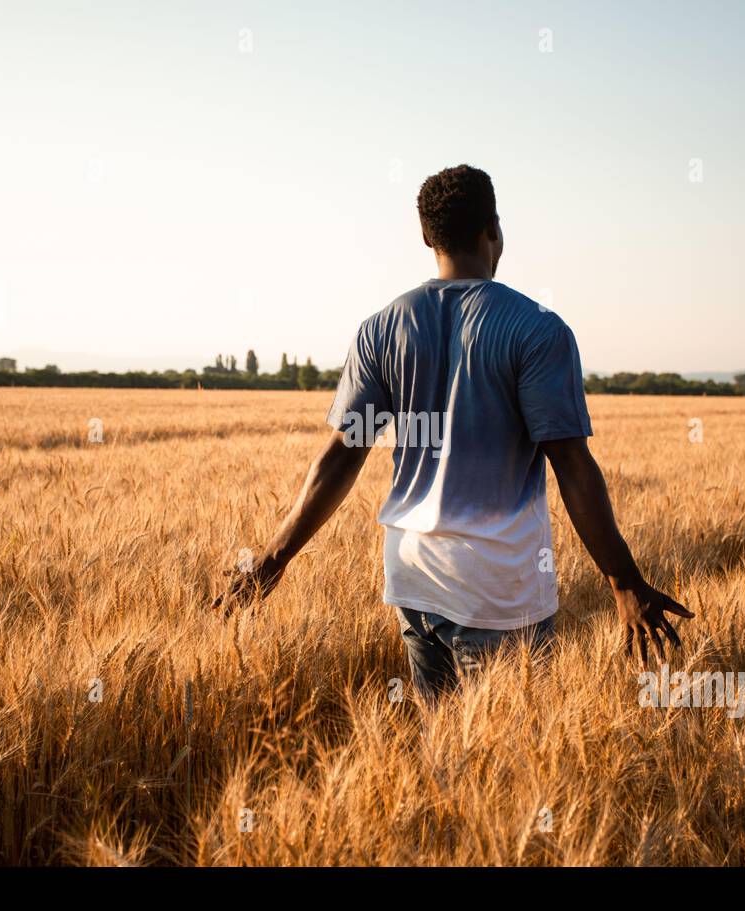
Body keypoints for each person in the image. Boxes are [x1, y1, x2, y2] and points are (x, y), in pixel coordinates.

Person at [214, 164, 692, 698]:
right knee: (509, 763)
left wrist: (272, 560)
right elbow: (572, 465)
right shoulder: (537, 329)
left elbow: (341, 457)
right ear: (495, 229)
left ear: (425, 236)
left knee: (444, 754)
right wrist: (624, 582)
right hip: (498, 588)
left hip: (412, 577)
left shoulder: (380, 328)